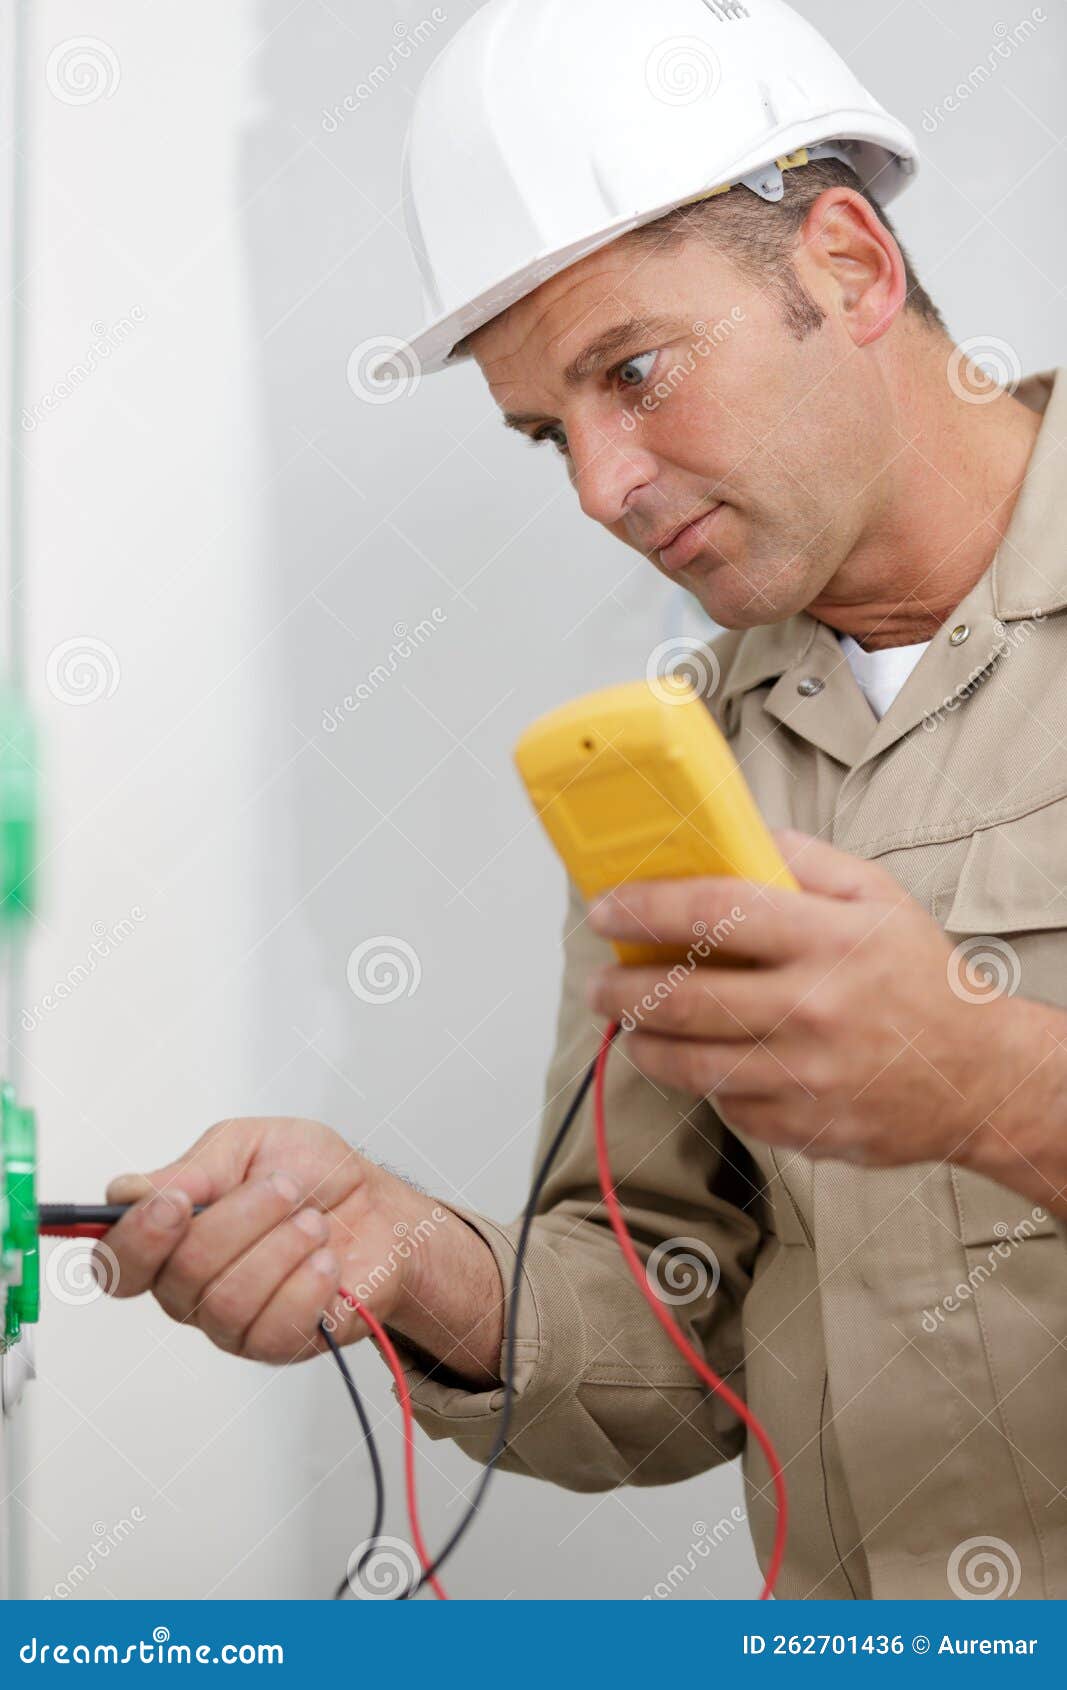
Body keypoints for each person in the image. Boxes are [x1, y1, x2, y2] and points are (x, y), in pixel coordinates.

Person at [99, 0, 1067, 1599]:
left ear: (849, 265)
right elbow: (676, 1325)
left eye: (636, 371)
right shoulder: (690, 756)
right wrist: (408, 1254)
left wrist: (992, 1087)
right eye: (551, 431)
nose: (601, 487)